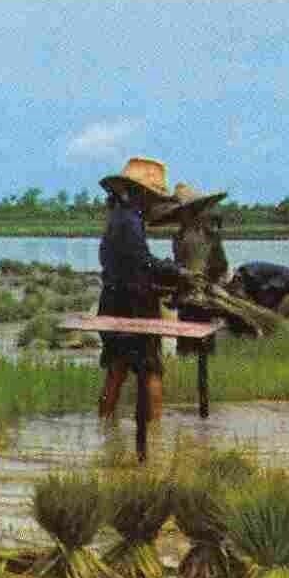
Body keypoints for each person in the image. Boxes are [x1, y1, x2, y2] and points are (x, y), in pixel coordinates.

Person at [95, 156, 184, 422]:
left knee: (116, 370)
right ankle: (155, 439)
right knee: (151, 371)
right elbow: (142, 261)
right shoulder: (131, 221)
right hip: (134, 307)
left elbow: (121, 262)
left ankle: (105, 428)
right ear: (143, 194)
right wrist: (173, 270)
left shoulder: (115, 218)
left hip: (111, 302)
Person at [156, 182, 230, 355]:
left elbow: (220, 266)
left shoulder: (189, 236)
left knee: (193, 345)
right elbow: (219, 265)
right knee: (194, 345)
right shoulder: (191, 235)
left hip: (198, 295)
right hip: (191, 295)